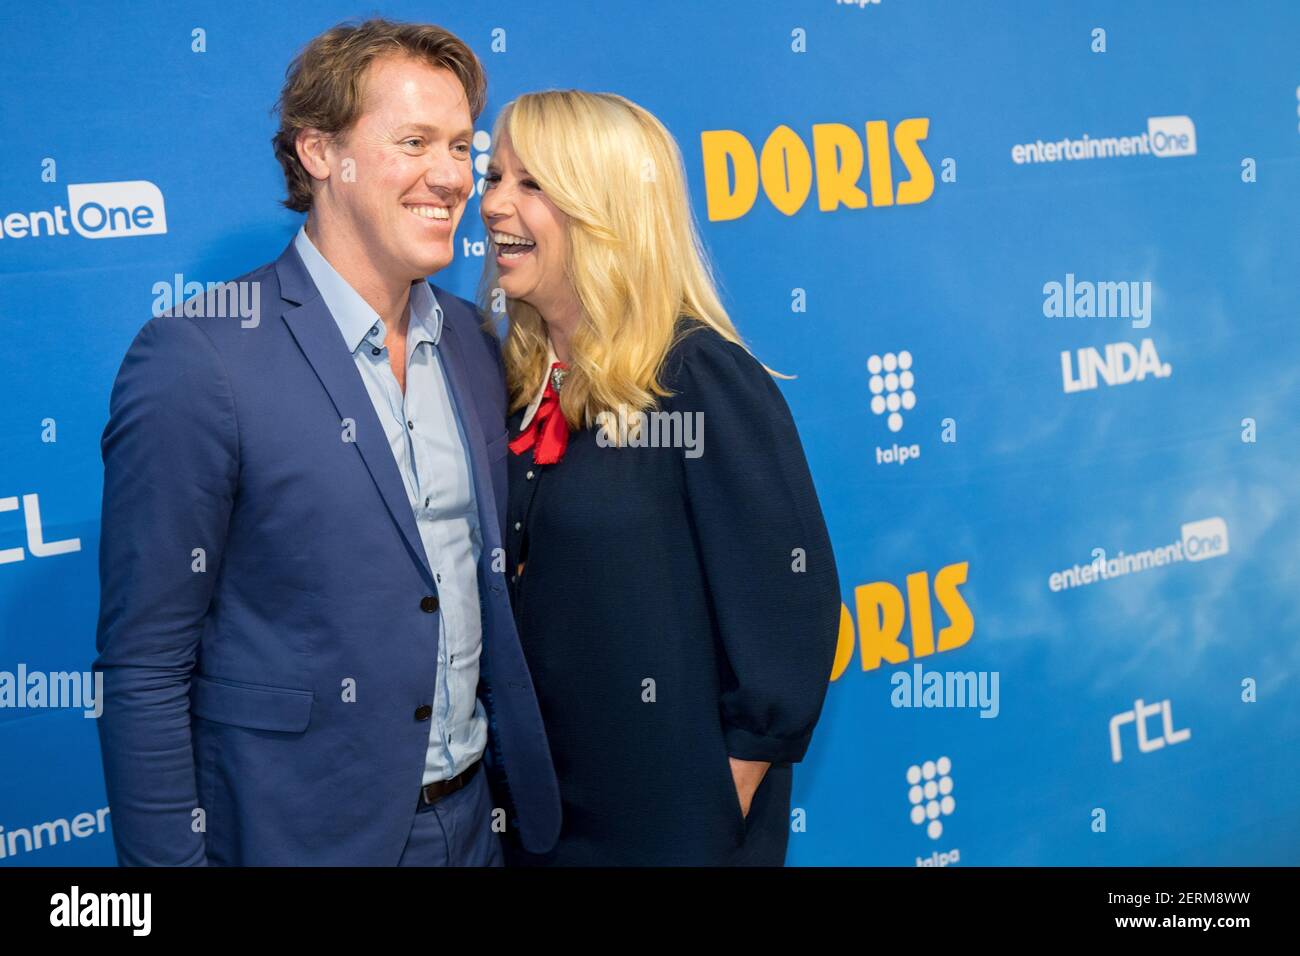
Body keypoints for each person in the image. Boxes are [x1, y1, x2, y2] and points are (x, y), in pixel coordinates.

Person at [93, 19, 559, 866]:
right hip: (300, 839)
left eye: (461, 145)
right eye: (414, 141)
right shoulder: (200, 357)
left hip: (479, 827)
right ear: (318, 153)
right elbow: (145, 668)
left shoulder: (469, 341)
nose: (452, 177)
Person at [479, 90, 841, 865]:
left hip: (665, 829)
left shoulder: (700, 378)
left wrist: (718, 802)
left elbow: (788, 615)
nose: (495, 205)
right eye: (495, 177)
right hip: (535, 820)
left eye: (532, 184)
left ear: (603, 208)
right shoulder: (511, 383)